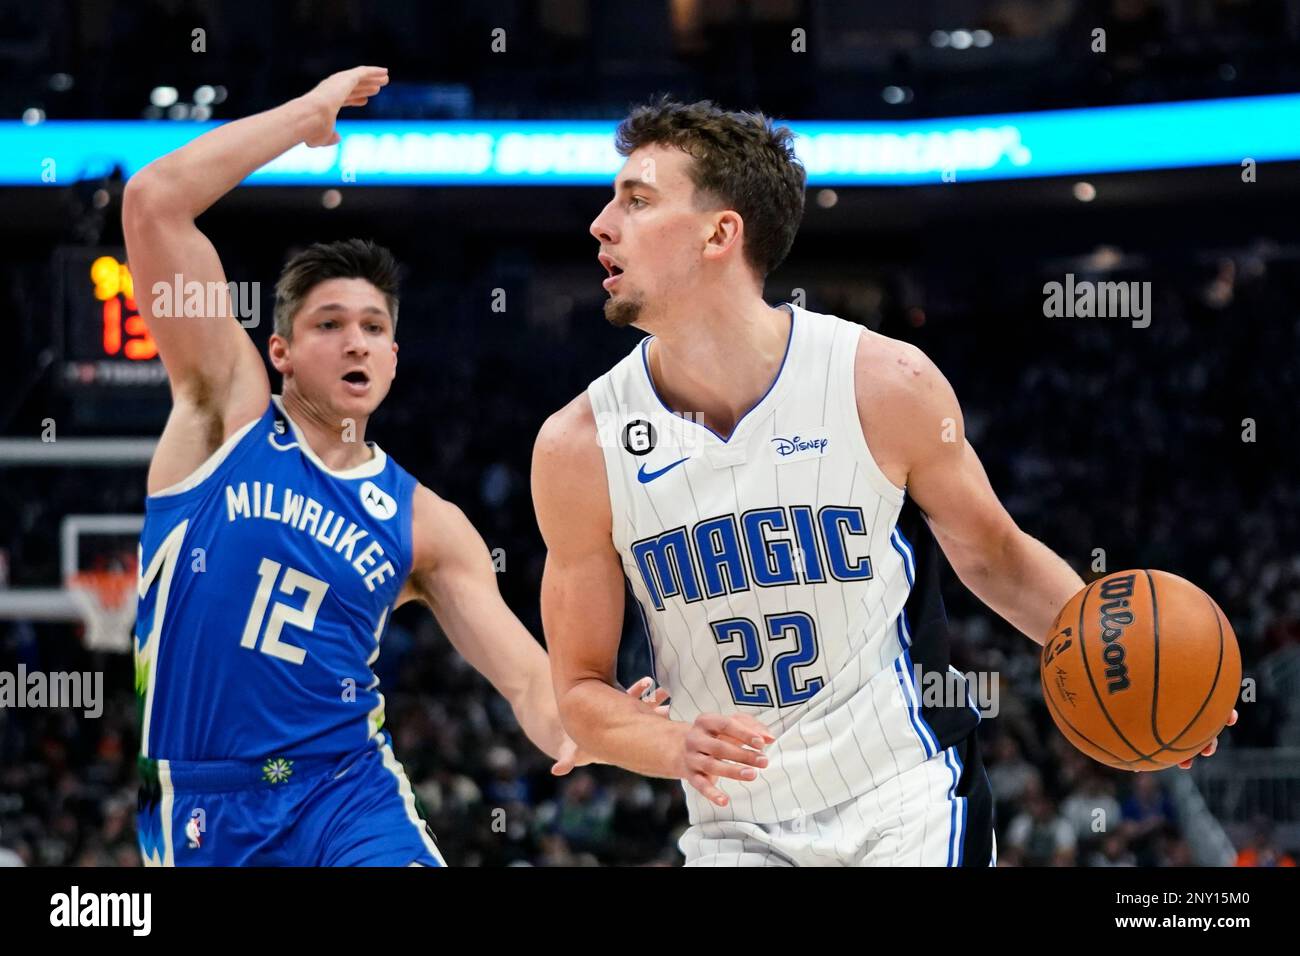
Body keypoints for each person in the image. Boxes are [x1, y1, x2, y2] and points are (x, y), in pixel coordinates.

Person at [531, 97, 1232, 866]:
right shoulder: (577, 448)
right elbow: (581, 692)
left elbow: (994, 555)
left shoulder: (882, 382)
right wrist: (668, 744)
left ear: (720, 232)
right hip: (736, 827)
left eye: (637, 199)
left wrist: (1132, 668)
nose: (602, 222)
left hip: (907, 799)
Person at [123, 66, 661, 866]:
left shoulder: (425, 523)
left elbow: (526, 686)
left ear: (396, 356)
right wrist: (302, 117)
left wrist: (598, 722)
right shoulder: (221, 418)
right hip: (203, 802)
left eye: (374, 327)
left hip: (348, 794)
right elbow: (154, 202)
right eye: (329, 323)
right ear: (279, 352)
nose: (355, 341)